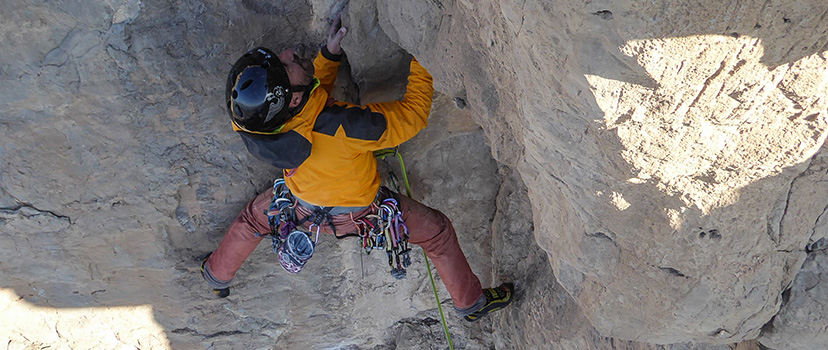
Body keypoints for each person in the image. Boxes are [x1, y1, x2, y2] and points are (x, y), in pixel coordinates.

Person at [201, 17, 512, 322]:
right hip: (363, 214)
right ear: (291, 96)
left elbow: (308, 102)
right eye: (284, 66)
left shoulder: (259, 123)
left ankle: (216, 276)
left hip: (298, 208)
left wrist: (329, 56)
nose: (287, 54)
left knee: (254, 219)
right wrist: (423, 56)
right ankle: (470, 303)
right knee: (438, 233)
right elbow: (412, 116)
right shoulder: (346, 125)